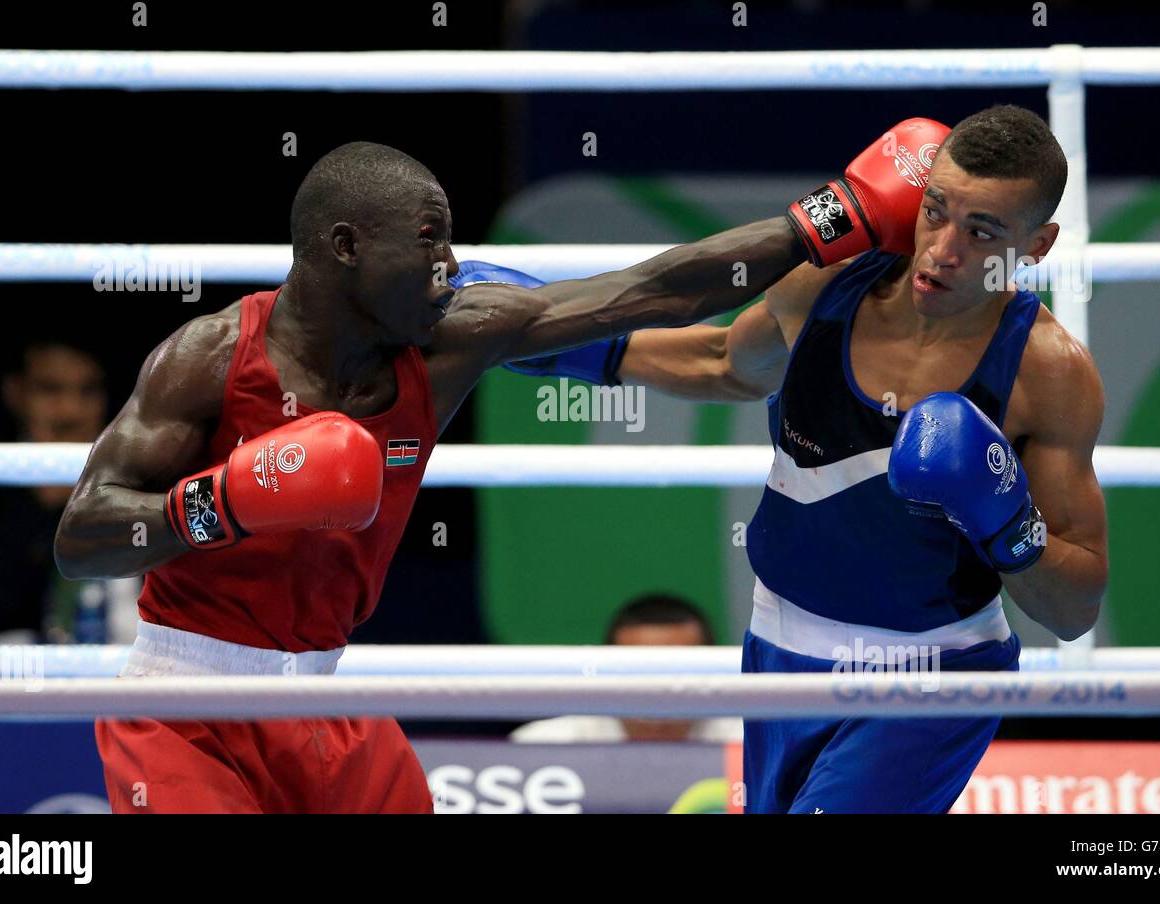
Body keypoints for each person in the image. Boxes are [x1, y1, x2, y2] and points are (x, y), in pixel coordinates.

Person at [52, 130, 901, 812]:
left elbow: (656, 289)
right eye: (427, 241)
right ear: (345, 246)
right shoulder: (210, 357)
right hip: (185, 701)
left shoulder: (453, 336)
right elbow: (83, 535)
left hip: (321, 696)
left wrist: (834, 215)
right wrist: (221, 503)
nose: (450, 265)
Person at [490, 105, 1109, 813]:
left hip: (933, 675)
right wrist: (549, 343)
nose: (942, 248)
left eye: (982, 232)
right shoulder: (831, 284)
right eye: (935, 211)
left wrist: (1008, 522)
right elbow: (725, 360)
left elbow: (1074, 609)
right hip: (777, 649)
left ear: (1038, 244)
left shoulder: (1047, 373)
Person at [0, 336, 138, 643]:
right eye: (51, 390)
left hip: (105, 678)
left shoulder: (135, 490)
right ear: (15, 393)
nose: (71, 411)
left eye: (88, 391)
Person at [511, 593, 742, 743]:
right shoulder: (544, 746)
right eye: (640, 674)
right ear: (605, 675)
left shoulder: (748, 747)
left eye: (676, 674)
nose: (657, 693)